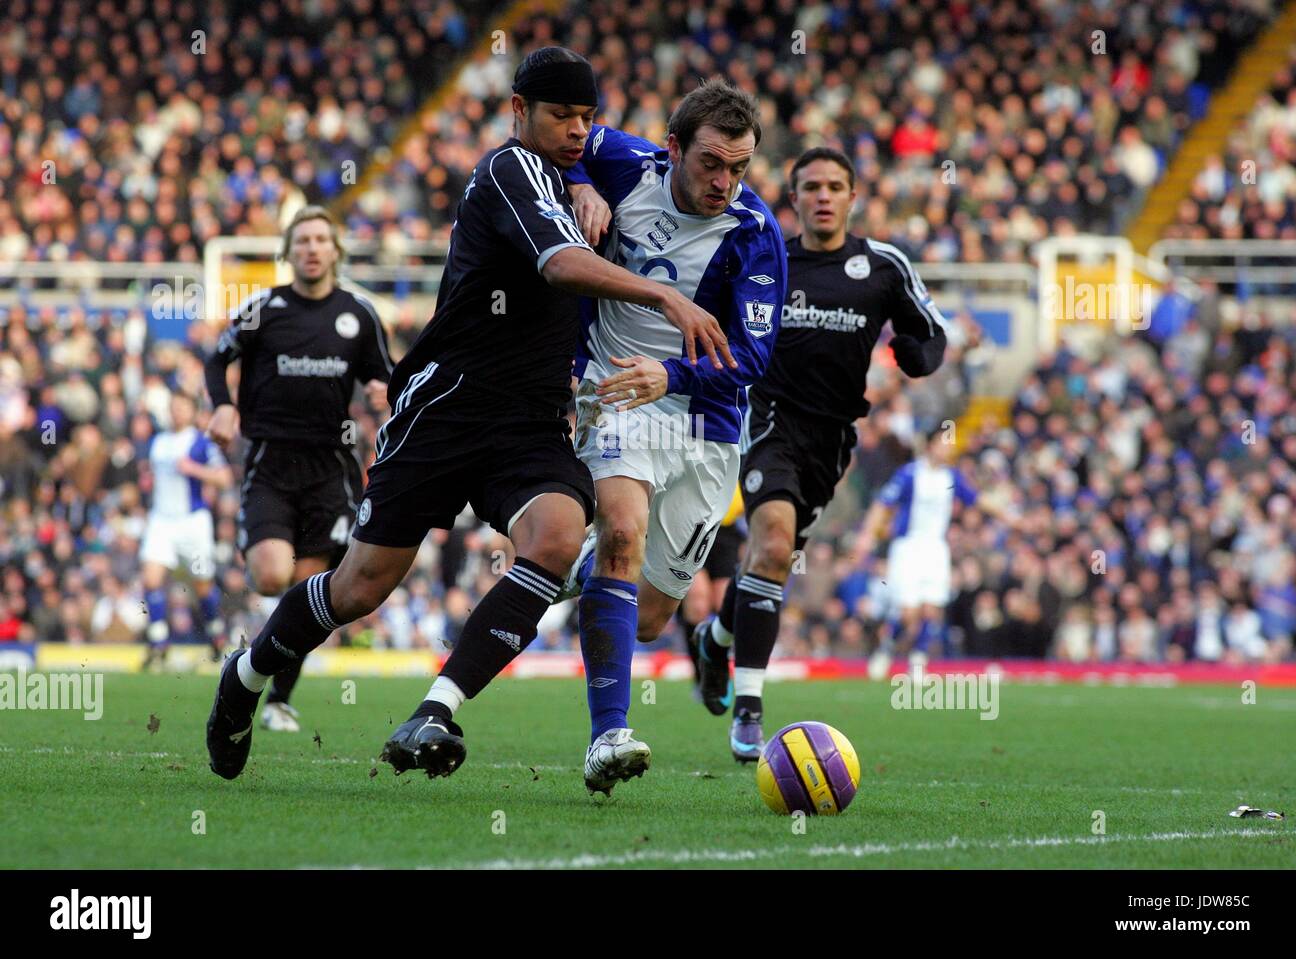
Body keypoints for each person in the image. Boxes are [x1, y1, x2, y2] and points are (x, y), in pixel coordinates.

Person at [205, 47, 733, 785]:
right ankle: (249, 671)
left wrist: (587, 181)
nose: (578, 131)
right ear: (518, 112)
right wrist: (666, 296)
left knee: (554, 537)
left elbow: (673, 172)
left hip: (531, 417)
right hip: (449, 402)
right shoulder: (506, 169)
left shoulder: (580, 170)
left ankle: (438, 708)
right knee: (360, 586)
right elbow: (557, 263)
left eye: (587, 117)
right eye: (560, 116)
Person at [554, 79, 787, 793]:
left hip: (703, 421)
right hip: (614, 386)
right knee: (624, 529)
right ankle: (607, 735)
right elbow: (549, 142)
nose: (725, 181)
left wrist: (674, 374)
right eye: (711, 163)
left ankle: (571, 565)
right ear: (673, 148)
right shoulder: (625, 161)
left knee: (651, 619)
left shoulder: (755, 234)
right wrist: (580, 180)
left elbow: (751, 359)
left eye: (740, 167)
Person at [689, 147, 948, 761]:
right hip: (767, 420)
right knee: (773, 545)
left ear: (853, 196)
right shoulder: (766, 257)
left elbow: (932, 331)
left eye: (835, 186)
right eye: (811, 186)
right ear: (795, 197)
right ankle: (749, 713)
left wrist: (917, 355)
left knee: (768, 562)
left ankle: (716, 637)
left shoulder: (882, 265)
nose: (823, 196)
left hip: (832, 444)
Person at [204, 205, 393, 733]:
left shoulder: (360, 314)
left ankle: (277, 698)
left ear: (336, 250)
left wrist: (384, 392)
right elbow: (217, 358)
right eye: (302, 240)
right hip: (270, 461)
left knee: (312, 596)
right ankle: (250, 672)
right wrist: (222, 404)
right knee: (271, 576)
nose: (311, 248)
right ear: (289, 252)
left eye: (320, 239)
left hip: (330, 468)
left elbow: (387, 377)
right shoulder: (264, 308)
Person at [857, 427, 1017, 677]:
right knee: (909, 613)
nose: (949, 448)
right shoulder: (909, 474)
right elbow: (883, 503)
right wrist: (867, 534)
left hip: (935, 548)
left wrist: (1011, 518)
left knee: (931, 609)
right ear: (930, 445)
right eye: (944, 442)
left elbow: (977, 499)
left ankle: (918, 662)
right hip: (908, 546)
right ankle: (887, 648)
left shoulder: (951, 477)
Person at [139, 392, 233, 667]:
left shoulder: (201, 442)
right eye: (173, 407)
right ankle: (158, 643)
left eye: (182, 407)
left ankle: (216, 635)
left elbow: (224, 478)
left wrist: (193, 469)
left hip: (193, 522)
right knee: (152, 579)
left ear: (192, 411)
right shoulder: (158, 441)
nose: (177, 412)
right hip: (161, 520)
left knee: (203, 586)